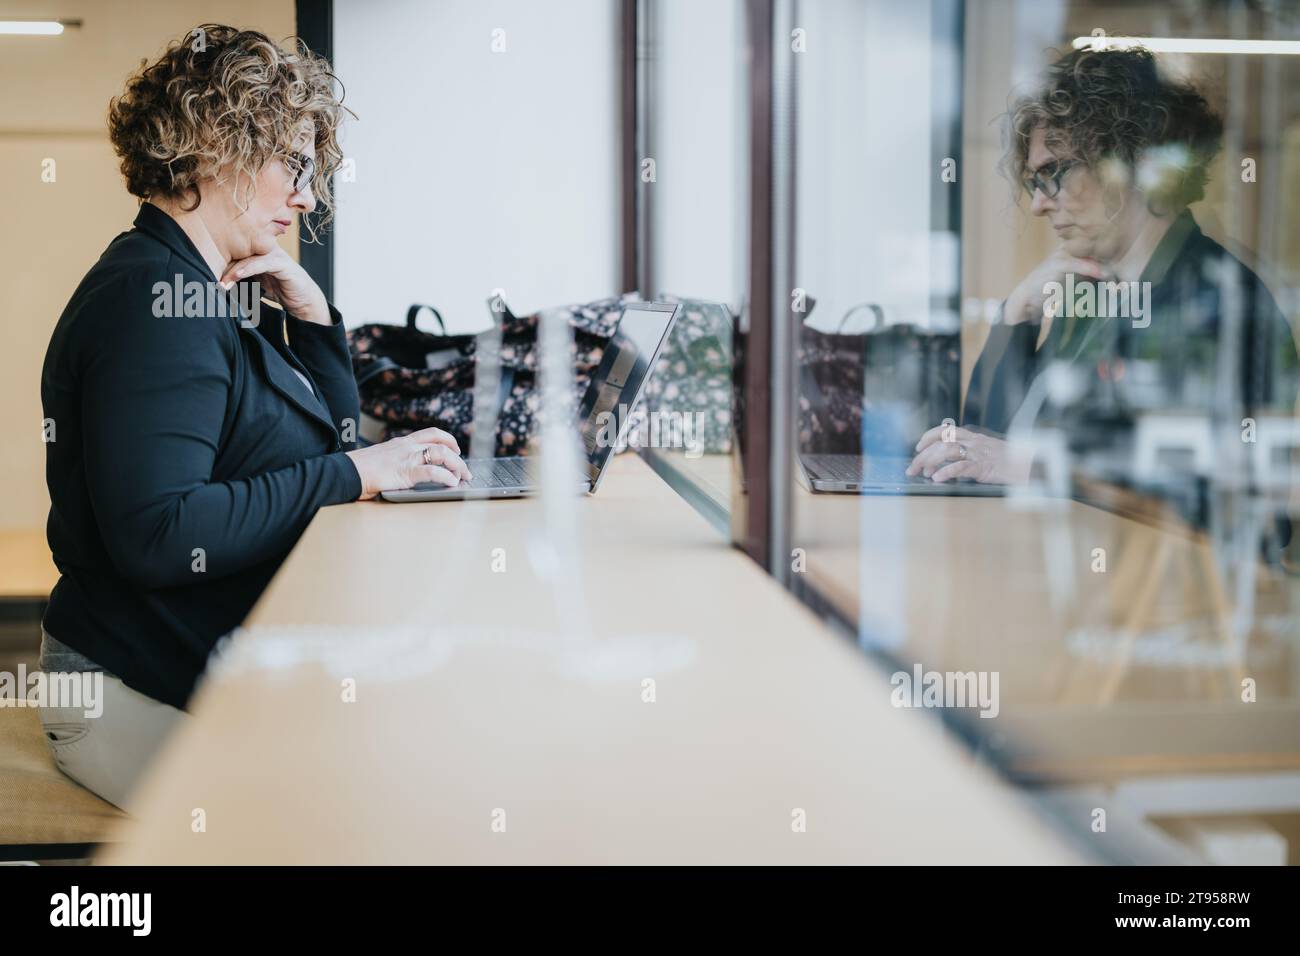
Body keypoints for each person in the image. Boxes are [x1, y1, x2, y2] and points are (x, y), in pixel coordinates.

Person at [38, 25, 471, 809]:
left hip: (187, 668)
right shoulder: (154, 303)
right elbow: (163, 535)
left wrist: (312, 323)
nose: (305, 197)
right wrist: (354, 473)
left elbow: (323, 442)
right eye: (293, 167)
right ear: (215, 144)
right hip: (123, 694)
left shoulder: (200, 290)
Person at [909, 46, 1298, 487]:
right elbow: (986, 443)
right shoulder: (1088, 291)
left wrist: (1038, 464)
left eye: (1053, 172)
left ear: (1127, 162)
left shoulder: (1224, 299)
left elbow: (1228, 488)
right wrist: (1018, 314)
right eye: (1035, 182)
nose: (1038, 204)